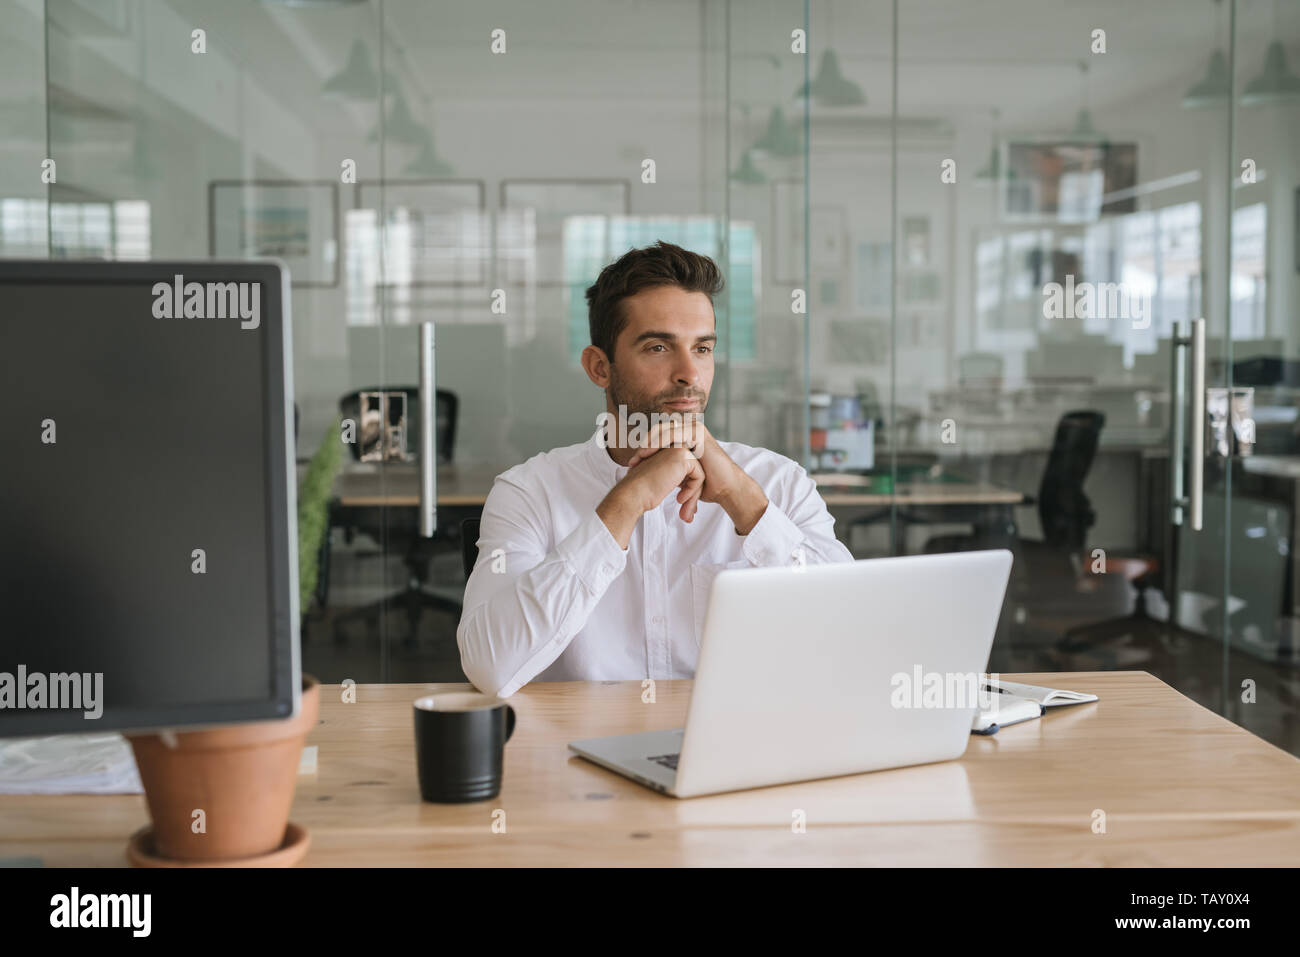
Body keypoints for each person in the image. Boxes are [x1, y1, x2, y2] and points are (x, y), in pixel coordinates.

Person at [457, 241, 854, 696]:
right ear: (599, 367)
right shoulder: (528, 492)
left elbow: (846, 634)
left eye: (702, 348)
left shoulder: (778, 484)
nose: (689, 373)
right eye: (659, 347)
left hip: (733, 752)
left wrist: (741, 499)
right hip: (574, 751)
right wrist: (626, 502)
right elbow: (490, 668)